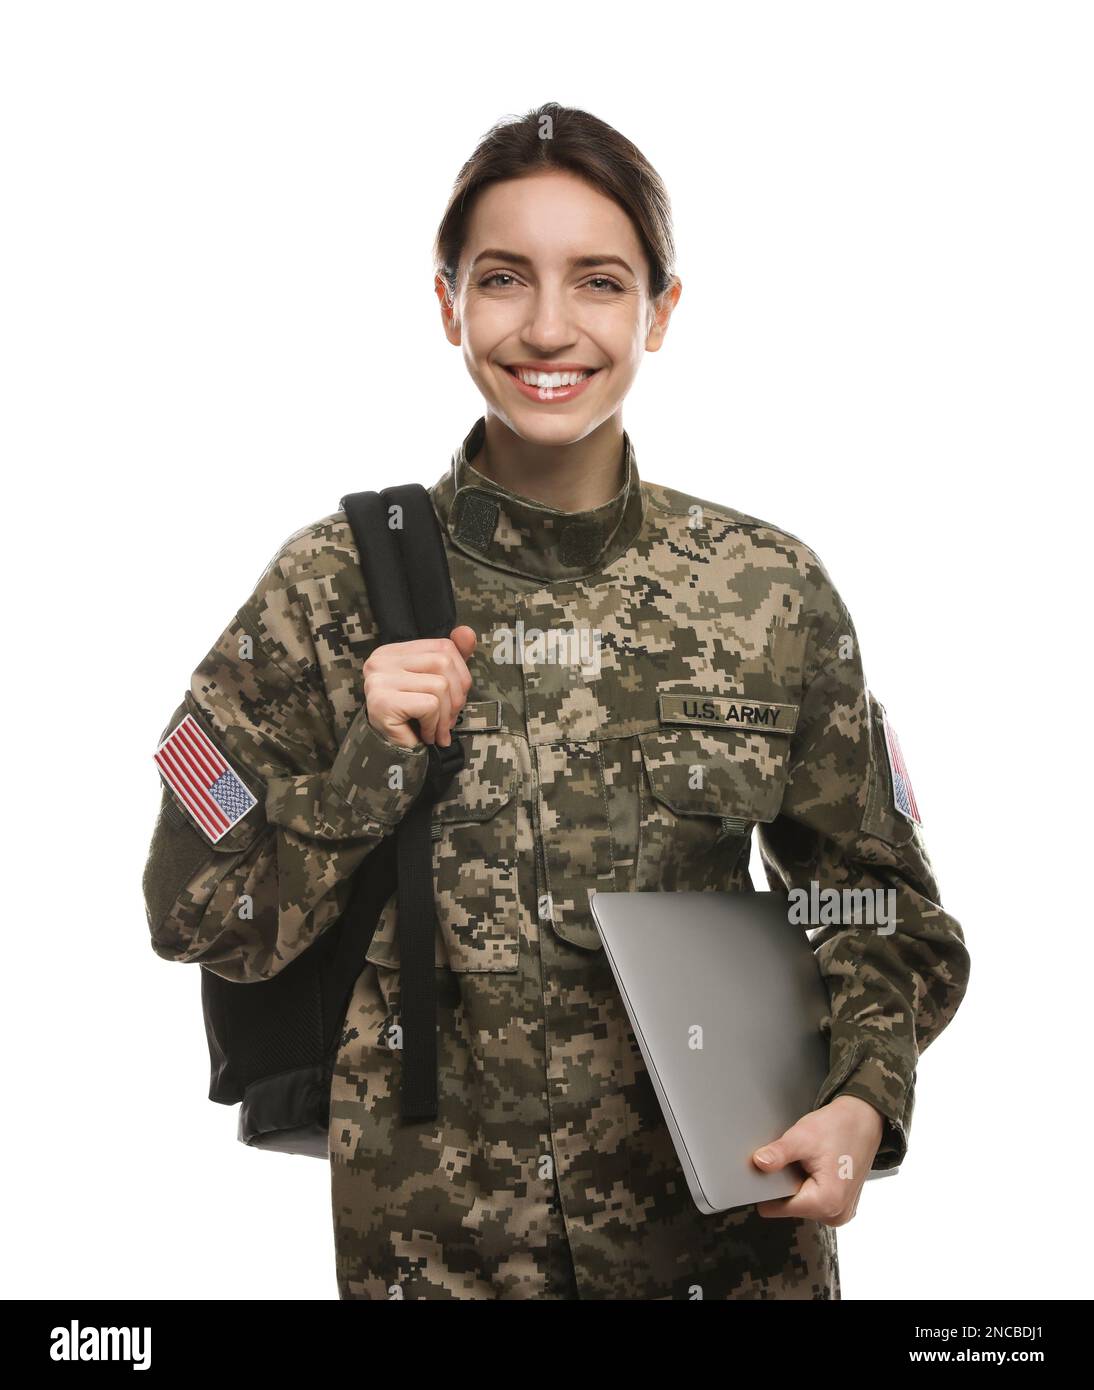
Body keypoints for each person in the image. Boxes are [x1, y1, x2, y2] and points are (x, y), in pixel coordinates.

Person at [142, 101, 970, 1300]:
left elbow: (872, 902)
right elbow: (193, 913)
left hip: (726, 1262)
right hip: (441, 1267)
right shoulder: (328, 589)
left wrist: (860, 1097)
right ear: (445, 305)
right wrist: (367, 767)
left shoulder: (770, 592)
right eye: (500, 279)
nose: (546, 326)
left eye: (595, 281)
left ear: (658, 310)